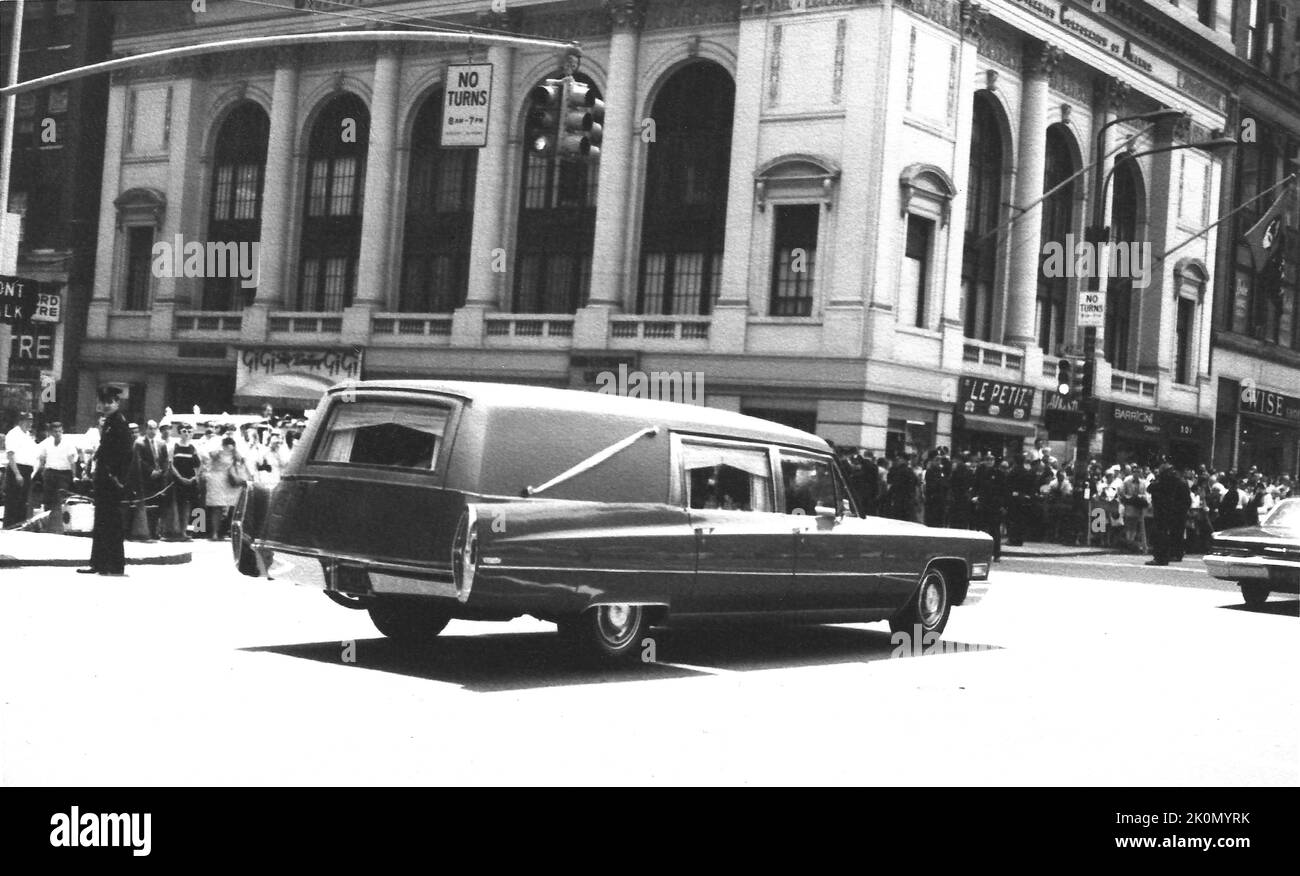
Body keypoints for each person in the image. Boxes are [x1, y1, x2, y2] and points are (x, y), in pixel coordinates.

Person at [81, 389, 133, 576]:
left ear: (118, 403)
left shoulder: (119, 423)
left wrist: (118, 477)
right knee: (101, 522)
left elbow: (126, 453)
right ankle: (99, 563)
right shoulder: (109, 423)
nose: (107, 405)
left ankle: (114, 565)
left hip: (112, 481)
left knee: (112, 523)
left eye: (111, 402)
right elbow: (104, 450)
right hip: (103, 479)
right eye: (104, 402)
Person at [34, 421, 78, 534]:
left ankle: (59, 527)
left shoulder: (68, 443)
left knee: (60, 500)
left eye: (59, 431)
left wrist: (74, 476)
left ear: (62, 431)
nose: (58, 433)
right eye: (55, 431)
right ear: (51, 432)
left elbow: (72, 462)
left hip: (64, 474)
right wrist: (42, 471)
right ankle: (47, 526)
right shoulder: (46, 443)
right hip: (50, 473)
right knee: (48, 500)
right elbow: (42, 458)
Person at [203, 435, 246, 541]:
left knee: (233, 507)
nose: (228, 447)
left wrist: (235, 451)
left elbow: (242, 461)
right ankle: (215, 533)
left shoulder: (235, 454)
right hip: (216, 479)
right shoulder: (216, 452)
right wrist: (220, 449)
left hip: (230, 480)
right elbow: (210, 456)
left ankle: (228, 531)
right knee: (217, 507)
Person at [1148, 462, 1191, 565]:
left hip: (1164, 511)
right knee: (1175, 534)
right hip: (1174, 512)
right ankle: (1172, 554)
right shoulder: (1179, 481)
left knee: (1161, 534)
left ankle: (1161, 557)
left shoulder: (1165, 481)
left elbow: (1150, 488)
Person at [4, 412, 39, 528]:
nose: (30, 423)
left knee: (23, 501)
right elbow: (10, 455)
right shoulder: (13, 434)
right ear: (21, 421)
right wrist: (17, 474)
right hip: (17, 469)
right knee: (13, 500)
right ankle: (10, 526)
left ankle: (19, 525)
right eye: (28, 420)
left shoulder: (28, 435)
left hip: (27, 470)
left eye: (31, 420)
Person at [167, 424, 202, 541]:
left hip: (190, 480)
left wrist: (194, 478)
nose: (187, 433)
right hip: (178, 480)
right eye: (184, 431)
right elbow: (171, 464)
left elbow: (198, 465)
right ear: (179, 432)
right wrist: (180, 477)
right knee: (176, 505)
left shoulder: (193, 447)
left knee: (187, 506)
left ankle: (183, 532)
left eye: (189, 431)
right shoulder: (174, 446)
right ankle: (173, 531)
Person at [972, 455, 1007, 560]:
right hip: (983, 504)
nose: (989, 462)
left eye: (991, 460)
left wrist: (1002, 505)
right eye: (987, 460)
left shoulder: (999, 474)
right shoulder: (980, 473)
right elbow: (976, 486)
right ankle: (981, 554)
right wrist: (975, 497)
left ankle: (996, 554)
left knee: (995, 531)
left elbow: (1003, 490)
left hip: (994, 506)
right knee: (981, 530)